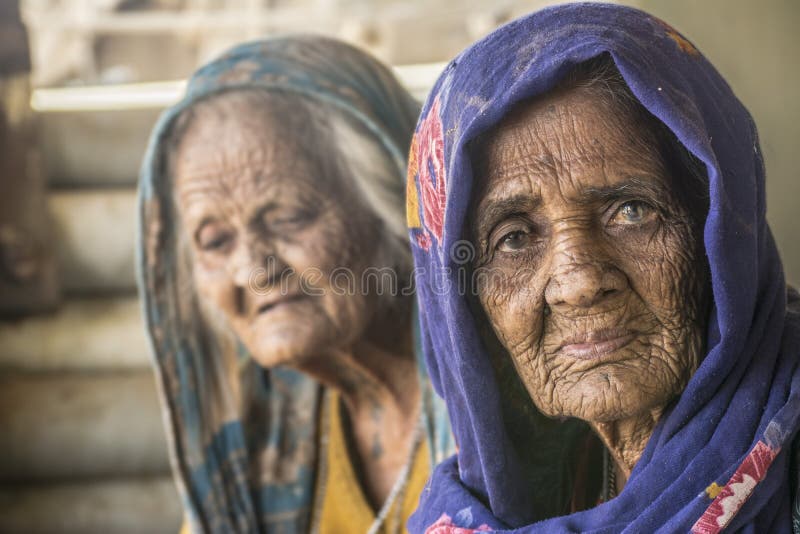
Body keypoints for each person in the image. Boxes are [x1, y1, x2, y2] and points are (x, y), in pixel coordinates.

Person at [405, 4, 800, 532]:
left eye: (632, 211)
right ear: (464, 303)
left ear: (720, 229)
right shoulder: (511, 491)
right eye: (514, 238)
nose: (579, 283)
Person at [137, 36, 452, 533]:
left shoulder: (502, 423)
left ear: (394, 207)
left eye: (287, 218)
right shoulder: (256, 436)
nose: (253, 269)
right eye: (215, 241)